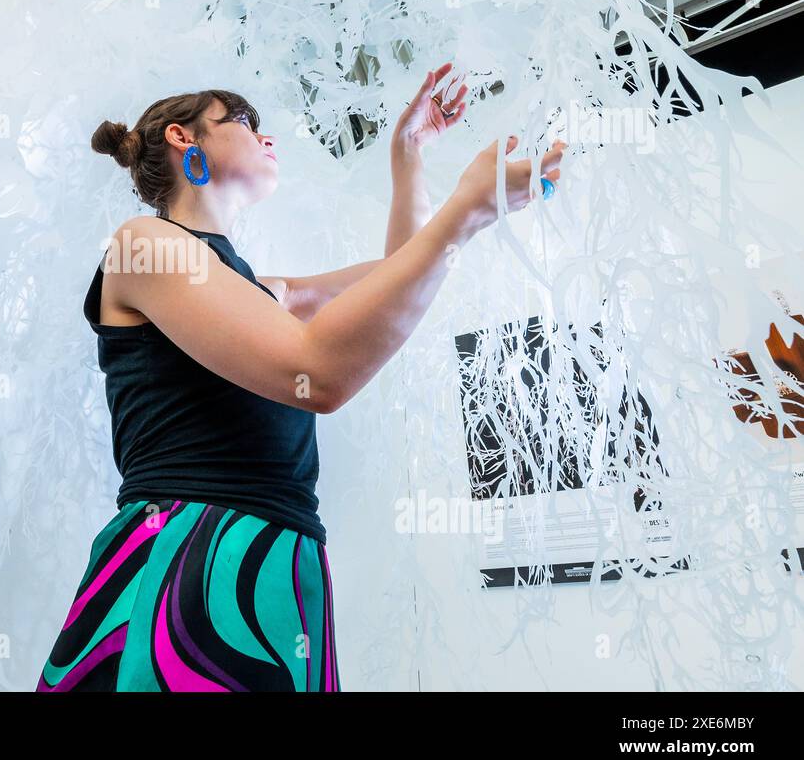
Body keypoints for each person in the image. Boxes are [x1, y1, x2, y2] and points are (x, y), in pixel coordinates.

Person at [35, 63, 566, 691]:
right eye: (242, 121)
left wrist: (409, 153)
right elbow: (319, 372)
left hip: (279, 559)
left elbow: (397, 280)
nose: (268, 137)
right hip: (187, 552)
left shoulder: (261, 292)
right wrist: (466, 213)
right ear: (184, 139)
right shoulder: (140, 246)